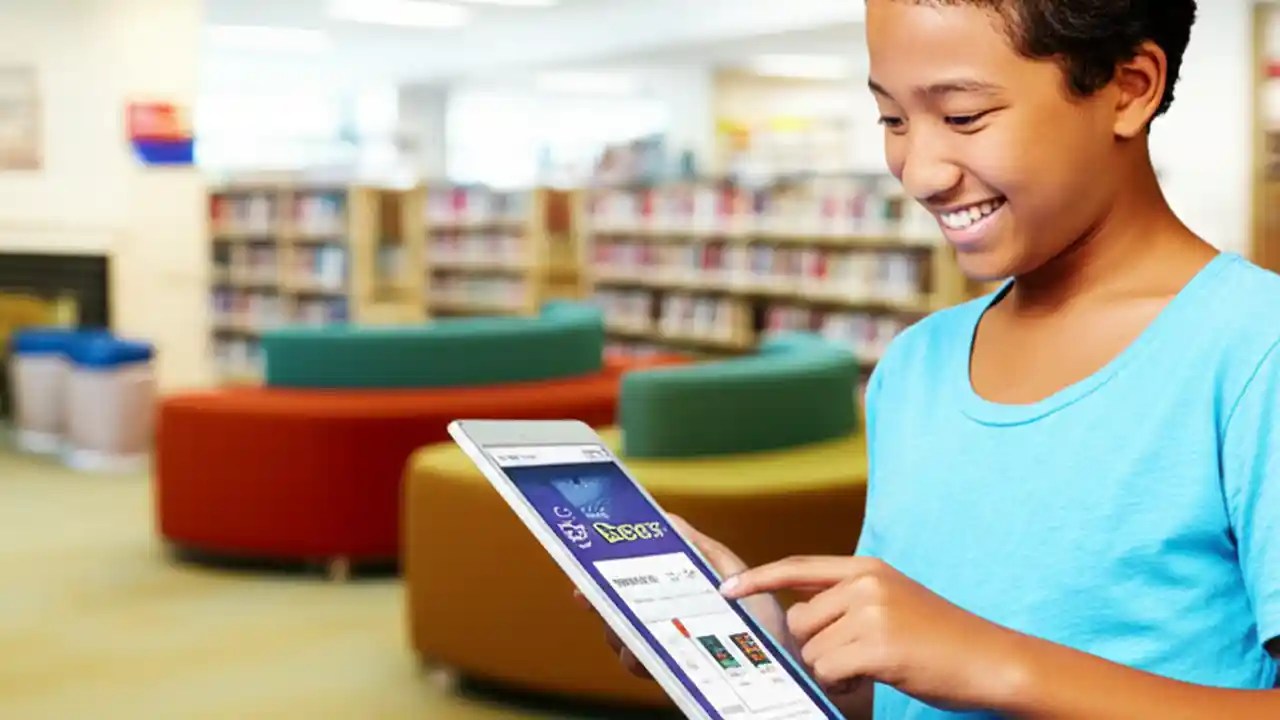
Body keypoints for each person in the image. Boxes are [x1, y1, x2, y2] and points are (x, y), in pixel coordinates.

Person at [582, 0, 1280, 717]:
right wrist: (767, 652)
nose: (918, 173)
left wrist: (993, 661)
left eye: (964, 117)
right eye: (892, 120)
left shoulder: (1257, 349)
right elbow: (914, 690)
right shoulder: (916, 365)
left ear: (1129, 88)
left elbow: (966, 664)